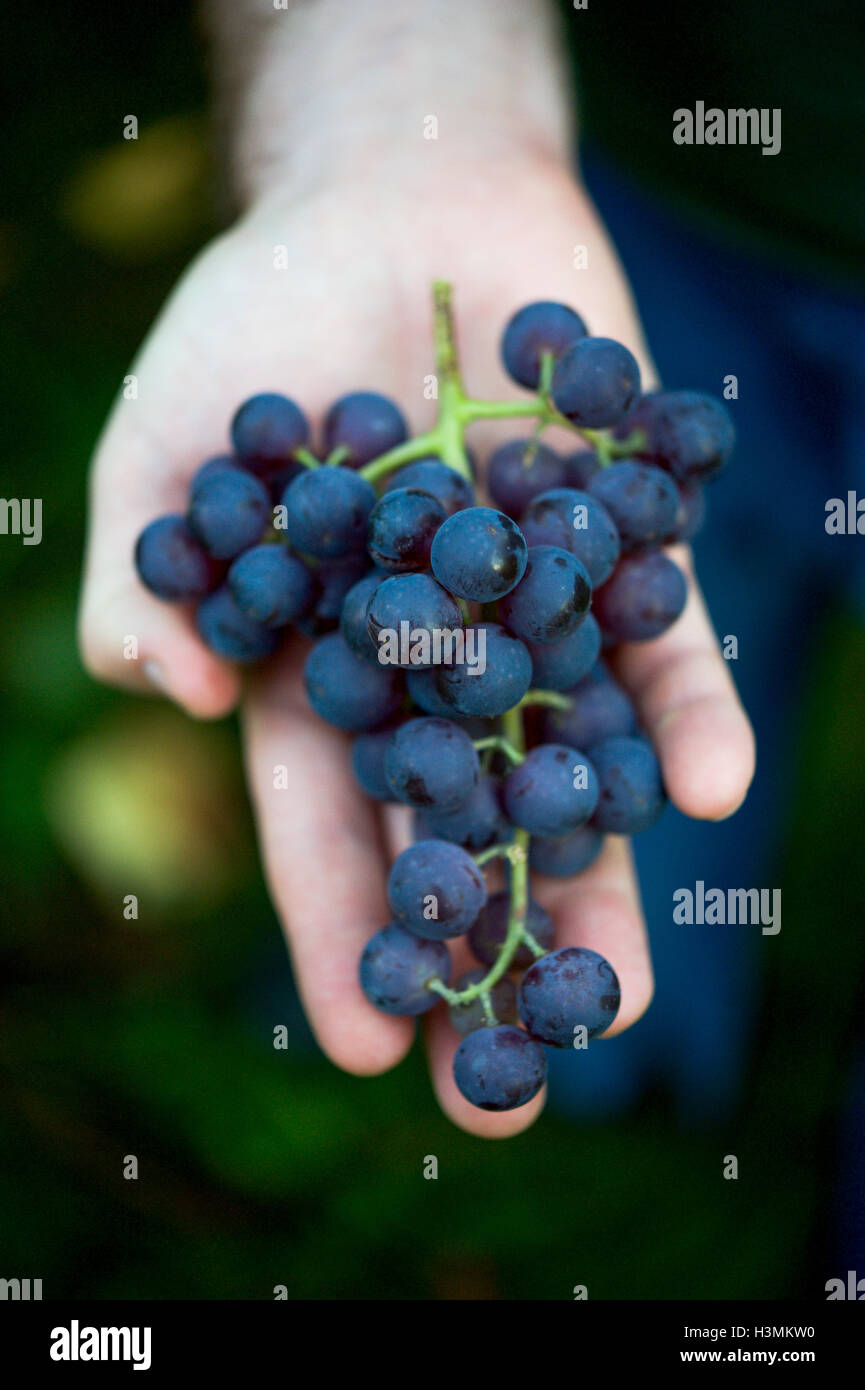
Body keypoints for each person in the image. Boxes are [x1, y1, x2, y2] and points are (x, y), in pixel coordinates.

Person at [77, 0, 755, 1138]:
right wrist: (374, 130)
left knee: (670, 721)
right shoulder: (438, 559)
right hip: (666, 182)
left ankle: (679, 1075)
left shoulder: (490, 567)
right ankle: (643, 1082)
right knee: (674, 715)